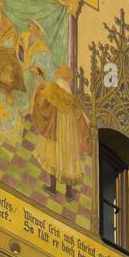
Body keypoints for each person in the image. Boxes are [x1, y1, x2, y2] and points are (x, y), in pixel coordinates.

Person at [31, 63, 89, 192]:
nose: (56, 70)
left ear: (59, 74)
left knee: (53, 154)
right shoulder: (72, 97)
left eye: (58, 69)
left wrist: (38, 84)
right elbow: (79, 118)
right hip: (70, 134)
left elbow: (41, 99)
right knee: (68, 158)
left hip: (57, 129)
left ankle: (53, 188)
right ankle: (69, 193)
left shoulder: (53, 88)